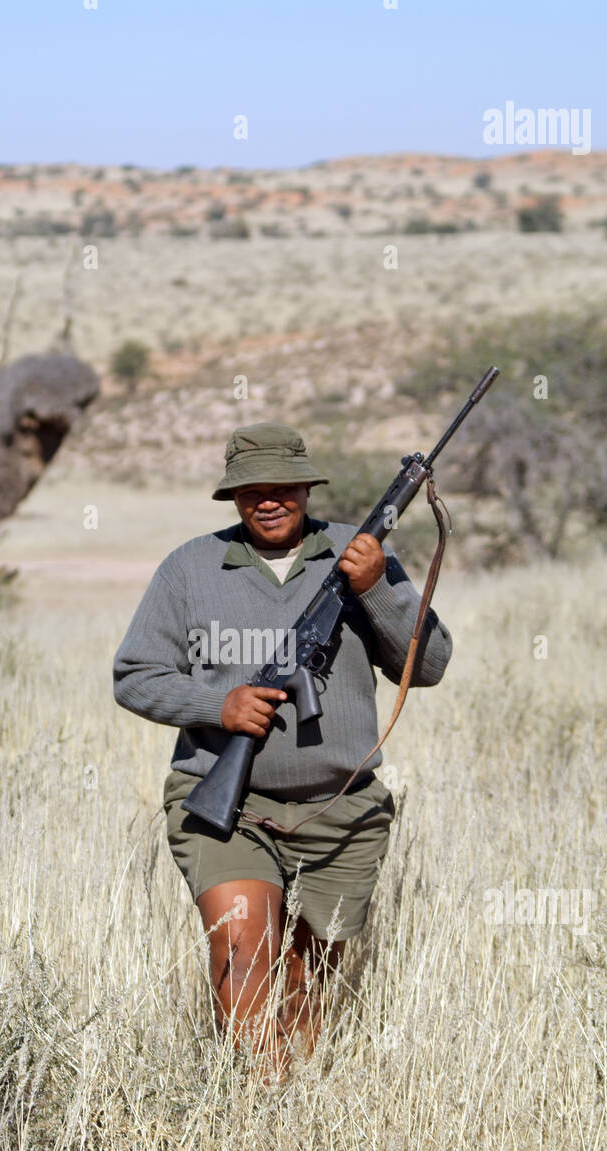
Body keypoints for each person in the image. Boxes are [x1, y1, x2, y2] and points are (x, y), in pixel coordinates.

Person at [113, 422, 452, 1083]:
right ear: (233, 498)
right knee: (242, 957)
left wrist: (377, 589)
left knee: (304, 980)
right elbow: (135, 674)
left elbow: (431, 663)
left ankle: (287, 1118)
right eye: (250, 491)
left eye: (282, 488)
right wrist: (220, 707)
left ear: (306, 486)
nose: (268, 501)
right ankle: (248, 1112)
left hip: (340, 814)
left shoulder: (362, 559)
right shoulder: (190, 568)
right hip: (225, 802)